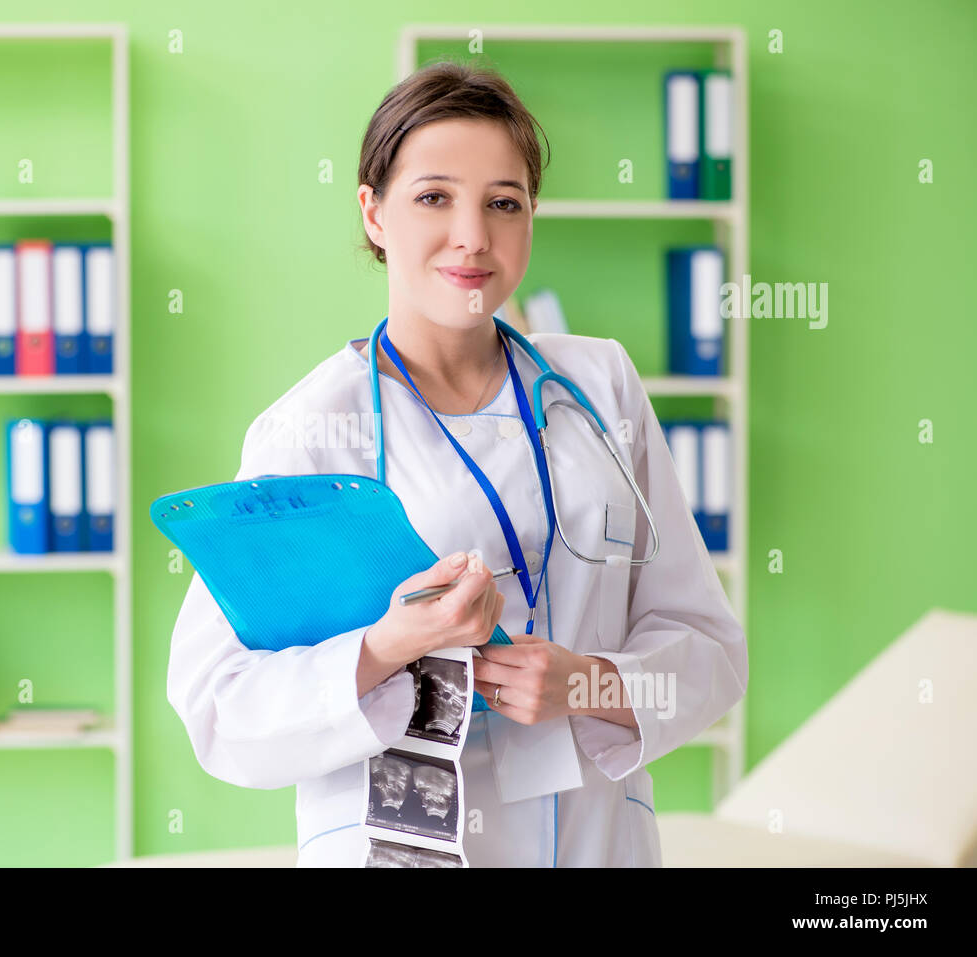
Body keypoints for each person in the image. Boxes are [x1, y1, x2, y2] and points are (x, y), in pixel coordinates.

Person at [166, 61, 747, 867]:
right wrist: (384, 647)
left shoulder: (600, 387)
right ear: (373, 213)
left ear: (532, 217)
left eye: (503, 202)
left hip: (598, 841)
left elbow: (710, 652)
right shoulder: (310, 430)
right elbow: (217, 703)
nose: (473, 236)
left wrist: (583, 683)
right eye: (434, 197)